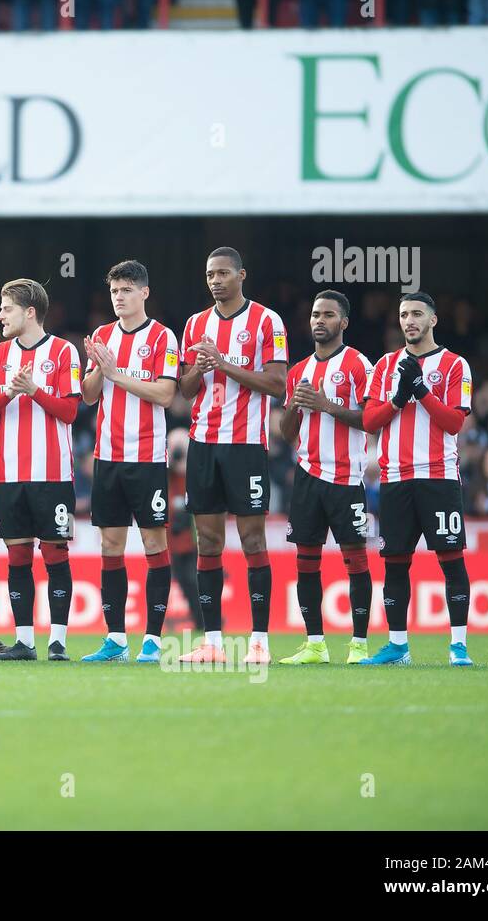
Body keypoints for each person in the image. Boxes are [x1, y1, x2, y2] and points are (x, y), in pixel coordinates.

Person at [177, 247, 288, 665]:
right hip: (203, 444)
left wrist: (223, 364)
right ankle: (214, 643)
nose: (215, 280)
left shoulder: (266, 321)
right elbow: (185, 392)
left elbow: (278, 384)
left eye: (223, 273)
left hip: (245, 446)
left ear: (243, 275)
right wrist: (199, 370)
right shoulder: (194, 324)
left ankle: (259, 641)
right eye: (210, 274)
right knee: (207, 541)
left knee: (252, 540)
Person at [360, 292, 474, 666]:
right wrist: (398, 398)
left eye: (417, 314)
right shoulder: (385, 365)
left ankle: (458, 645)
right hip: (394, 479)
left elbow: (454, 423)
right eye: (404, 314)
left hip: (438, 477)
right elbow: (369, 422)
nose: (409, 320)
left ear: (433, 320)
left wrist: (421, 390)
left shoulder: (455, 365)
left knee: (451, 560)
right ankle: (397, 646)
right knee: (394, 562)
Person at [77, 260, 179, 664]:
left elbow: (166, 394)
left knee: (154, 543)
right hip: (108, 458)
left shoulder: (162, 337)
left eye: (127, 290)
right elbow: (87, 396)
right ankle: (116, 639)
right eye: (115, 291)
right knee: (110, 545)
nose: (119, 297)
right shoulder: (102, 336)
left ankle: (152, 640)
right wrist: (100, 372)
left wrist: (116, 374)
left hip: (147, 458)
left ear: (144, 293)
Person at [0, 279, 82, 660]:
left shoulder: (64, 351)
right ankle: (24, 642)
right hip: (8, 476)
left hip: (54, 475)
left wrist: (35, 390)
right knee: (17, 557)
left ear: (30, 311)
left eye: (7, 308)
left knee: (55, 555)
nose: (0, 315)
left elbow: (70, 412)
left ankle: (58, 642)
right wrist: (10, 390)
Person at [276, 290, 375, 666]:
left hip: (346, 479)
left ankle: (359, 645)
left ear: (343, 322)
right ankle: (315, 643)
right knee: (305, 561)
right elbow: (287, 432)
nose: (319, 320)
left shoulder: (357, 365)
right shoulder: (298, 371)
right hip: (307, 476)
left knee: (356, 562)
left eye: (328, 315)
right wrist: (297, 406)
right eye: (316, 314)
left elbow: (370, 420)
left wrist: (326, 406)